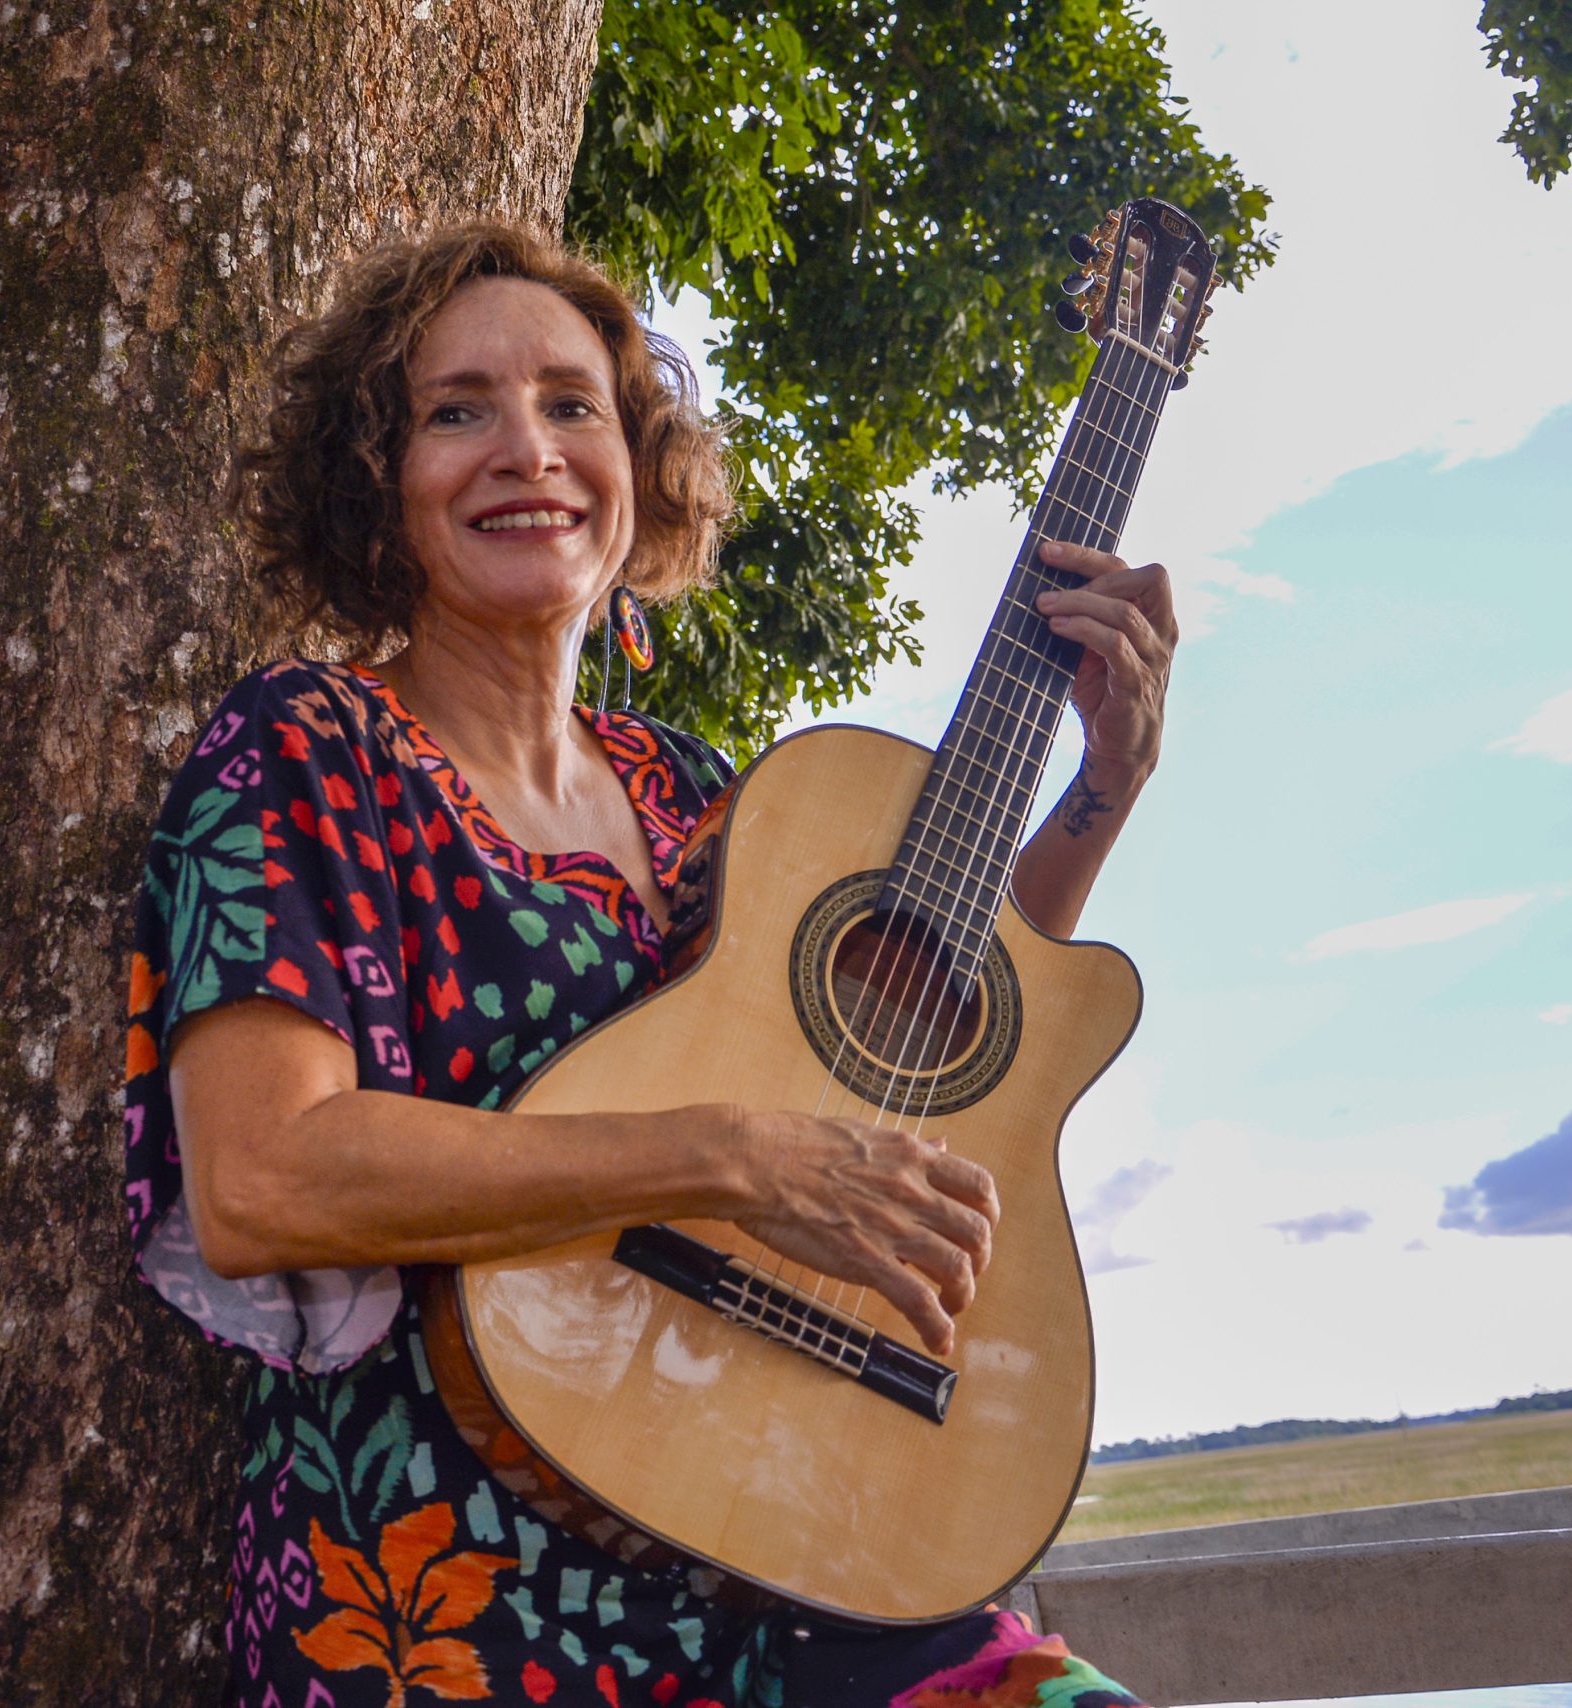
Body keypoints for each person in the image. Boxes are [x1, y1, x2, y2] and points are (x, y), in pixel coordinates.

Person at [123, 222, 1177, 1708]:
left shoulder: (694, 788)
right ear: (375, 476)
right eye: (457, 410)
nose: (528, 450)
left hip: (805, 1551)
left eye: (573, 405)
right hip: (455, 1600)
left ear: (637, 465)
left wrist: (1101, 784)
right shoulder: (306, 743)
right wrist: (731, 1158)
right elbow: (263, 1180)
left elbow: (925, 1036)